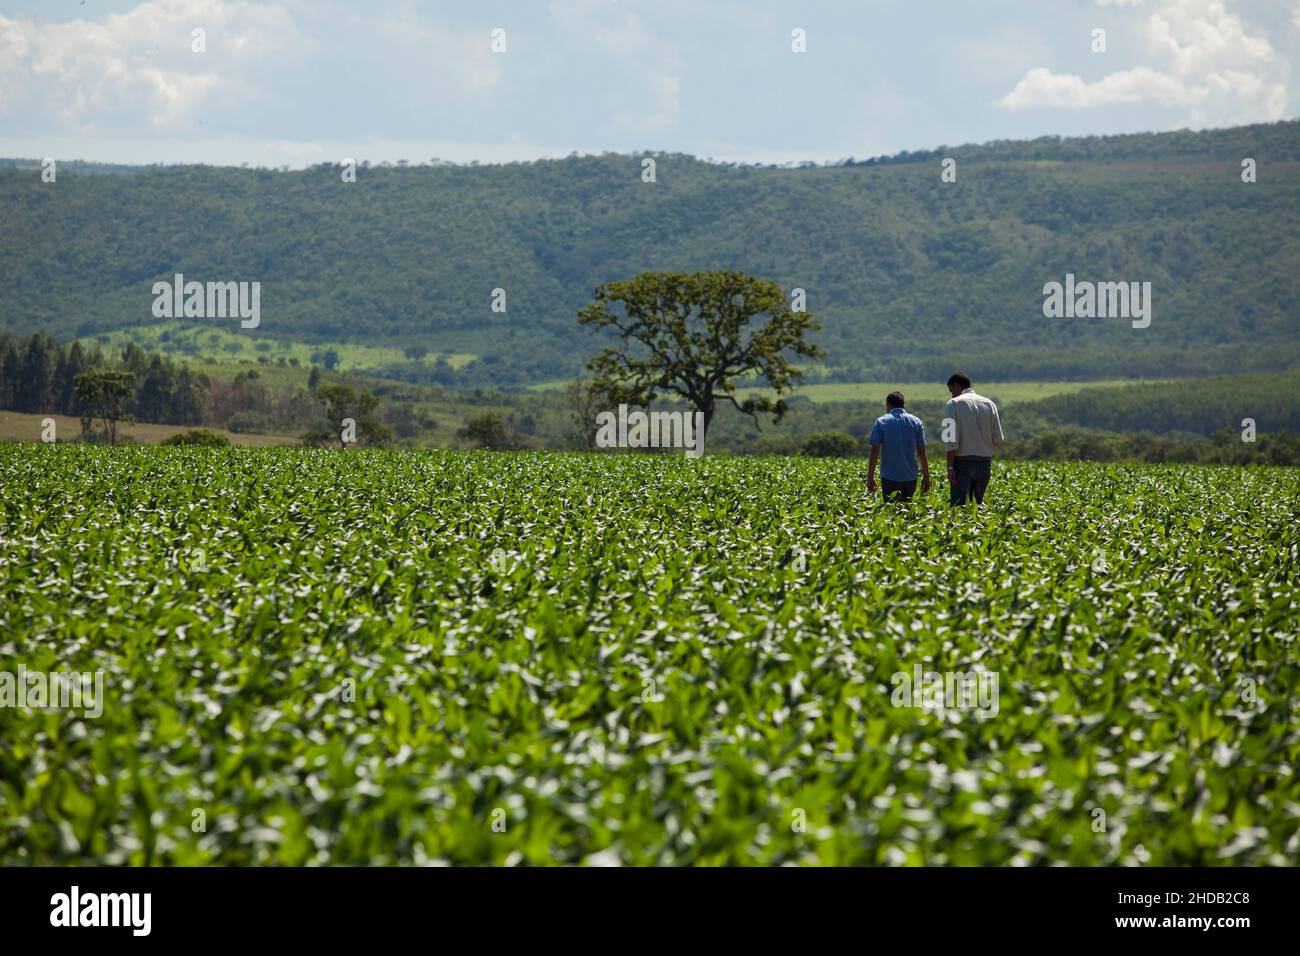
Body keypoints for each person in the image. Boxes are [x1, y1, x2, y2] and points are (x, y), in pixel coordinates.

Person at [942, 371, 1003, 507]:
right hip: (984, 463)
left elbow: (950, 439)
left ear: (957, 386)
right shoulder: (989, 404)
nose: (951, 394)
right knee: (978, 507)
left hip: (962, 463)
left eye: (951, 390)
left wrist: (950, 467)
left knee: (958, 508)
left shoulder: (953, 404)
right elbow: (998, 439)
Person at [867, 391, 931, 503]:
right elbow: (921, 452)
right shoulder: (916, 421)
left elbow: (874, 452)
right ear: (903, 404)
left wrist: (870, 477)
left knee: (891, 513)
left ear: (888, 404)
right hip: (910, 477)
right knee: (907, 513)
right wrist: (926, 477)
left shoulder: (881, 422)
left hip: (889, 477)